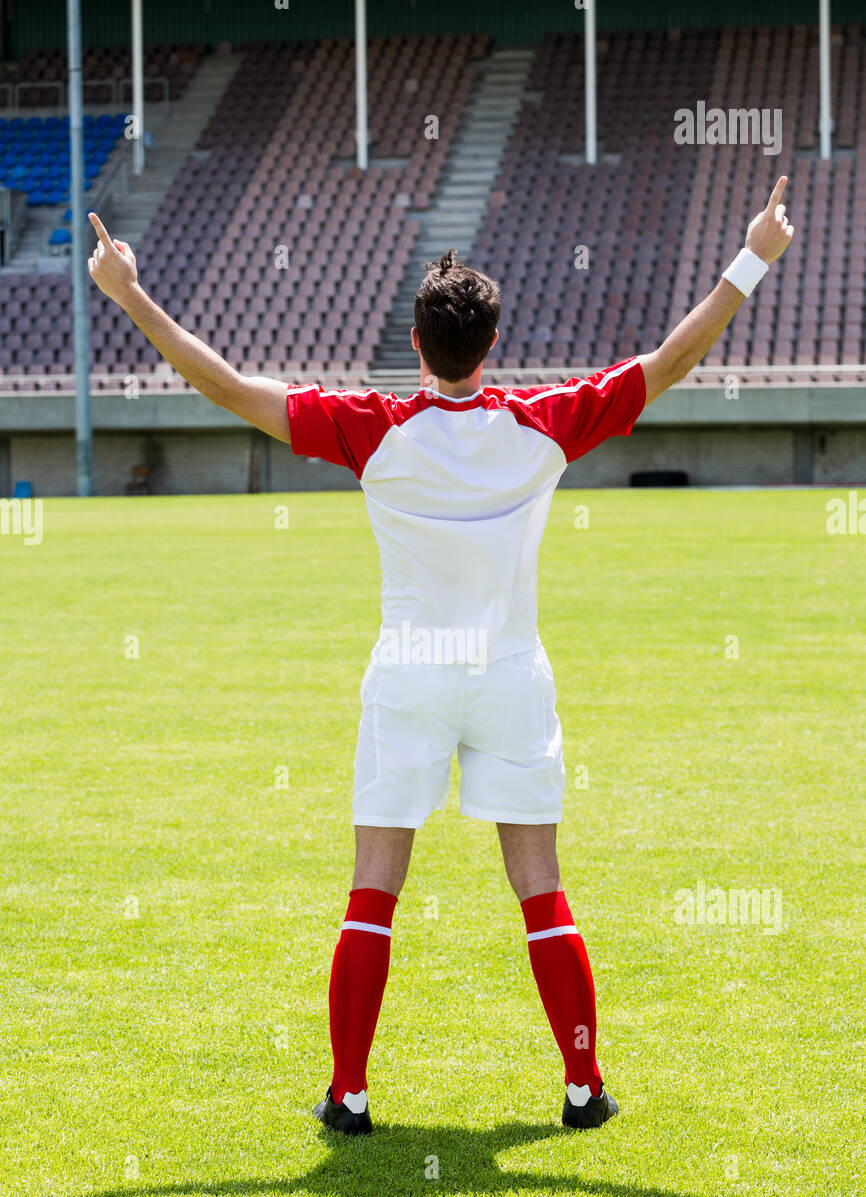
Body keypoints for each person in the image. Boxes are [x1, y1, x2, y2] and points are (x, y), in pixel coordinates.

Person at [87, 177, 794, 1136]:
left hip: (411, 679)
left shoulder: (374, 430)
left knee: (374, 886)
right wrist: (754, 254)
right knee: (540, 888)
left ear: (415, 344)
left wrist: (128, 295)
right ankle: (583, 1091)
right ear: (491, 345)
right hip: (510, 680)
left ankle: (351, 1093)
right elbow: (672, 359)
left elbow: (223, 385)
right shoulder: (545, 424)